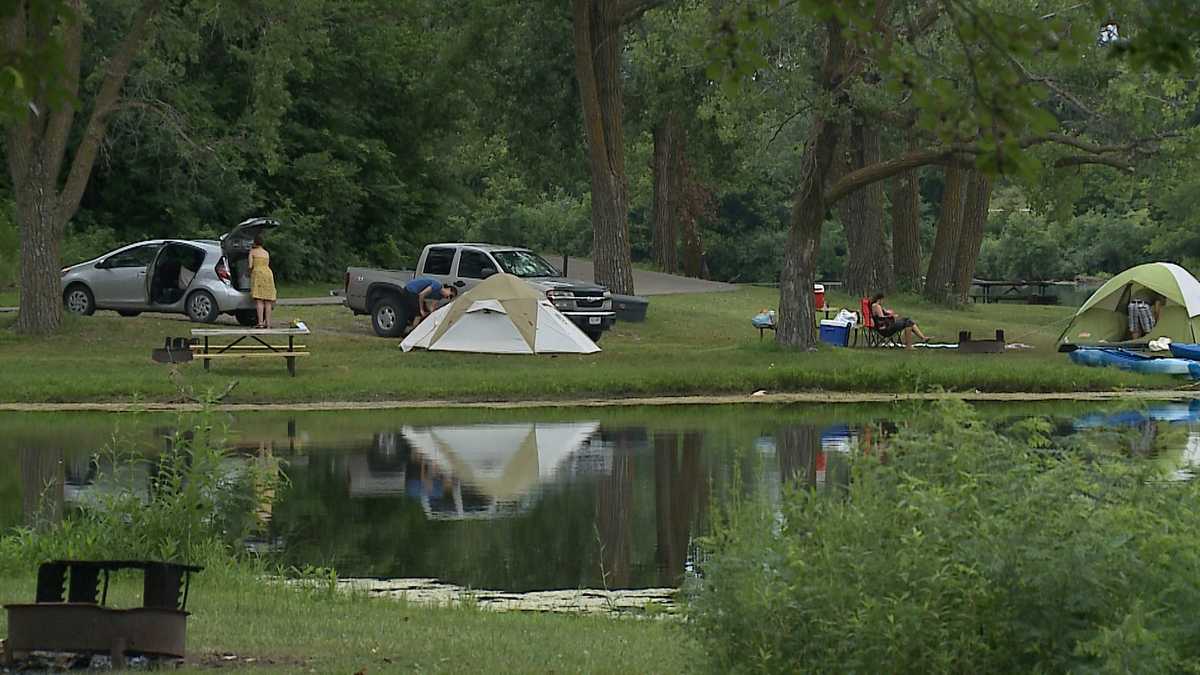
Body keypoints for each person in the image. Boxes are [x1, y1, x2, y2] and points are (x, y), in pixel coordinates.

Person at [248, 234, 277, 328]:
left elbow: (250, 266)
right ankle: (268, 323)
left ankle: (260, 322)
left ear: (255, 243)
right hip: (268, 274)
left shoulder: (252, 252)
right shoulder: (266, 253)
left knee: (259, 300)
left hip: (258, 274)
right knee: (268, 301)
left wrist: (249, 273)